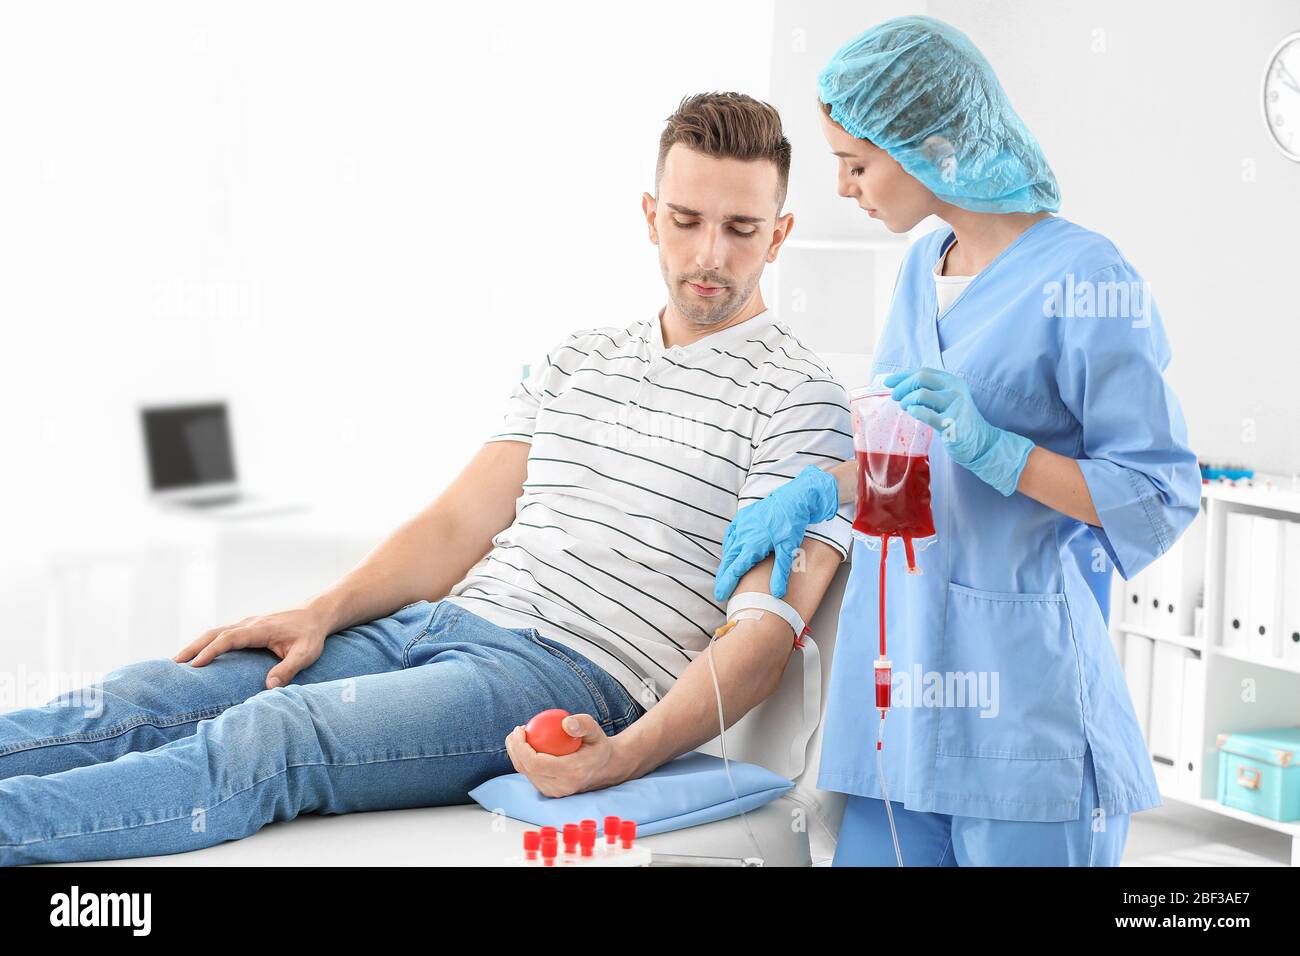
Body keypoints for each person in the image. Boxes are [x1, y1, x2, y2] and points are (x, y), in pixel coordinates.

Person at [0, 93, 856, 865]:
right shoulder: (578, 358)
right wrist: (321, 612)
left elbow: (762, 634)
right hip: (434, 624)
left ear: (778, 234)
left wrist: (623, 756)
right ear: (649, 216)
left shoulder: (799, 396)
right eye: (687, 219)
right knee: (155, 692)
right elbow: (458, 524)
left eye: (742, 229)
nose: (710, 253)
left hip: (569, 674)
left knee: (272, 736)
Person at [714, 16, 1201, 866]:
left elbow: (1158, 493)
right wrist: (827, 487)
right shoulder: (921, 266)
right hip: (897, 713)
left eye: (856, 162)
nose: (842, 187)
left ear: (930, 143)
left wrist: (1004, 452)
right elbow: (912, 461)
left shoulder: (1088, 279)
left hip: (1024, 716)